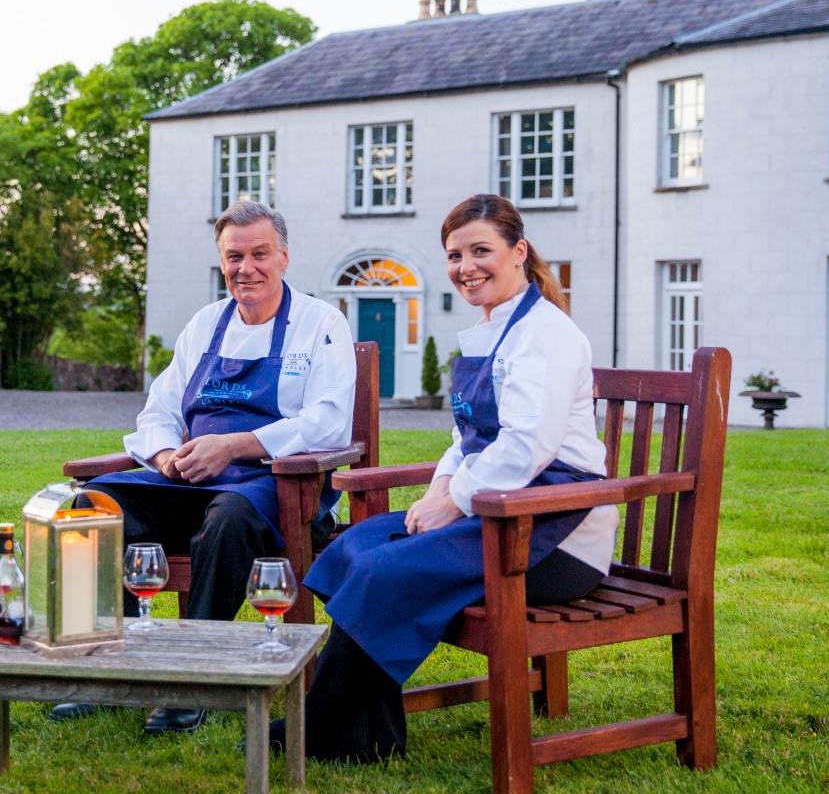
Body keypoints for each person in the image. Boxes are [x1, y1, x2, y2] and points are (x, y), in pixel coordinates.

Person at [282, 193, 614, 762]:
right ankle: (368, 730)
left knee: (387, 569)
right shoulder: (494, 329)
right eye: (455, 255)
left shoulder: (548, 334)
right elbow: (469, 438)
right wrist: (441, 485)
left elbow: (527, 446)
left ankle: (320, 728)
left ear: (519, 251)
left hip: (557, 535)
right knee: (358, 546)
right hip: (502, 509)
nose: (466, 267)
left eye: (481, 250)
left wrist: (453, 502)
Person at [53, 199, 356, 734]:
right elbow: (159, 412)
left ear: (283, 257)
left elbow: (329, 424)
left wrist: (233, 446)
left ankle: (192, 680)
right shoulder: (204, 325)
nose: (246, 268)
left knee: (229, 516)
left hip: (274, 488)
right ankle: (107, 669)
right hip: (192, 484)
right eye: (234, 257)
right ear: (222, 261)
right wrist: (166, 456)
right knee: (91, 505)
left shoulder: (320, 324)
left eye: (259, 254)